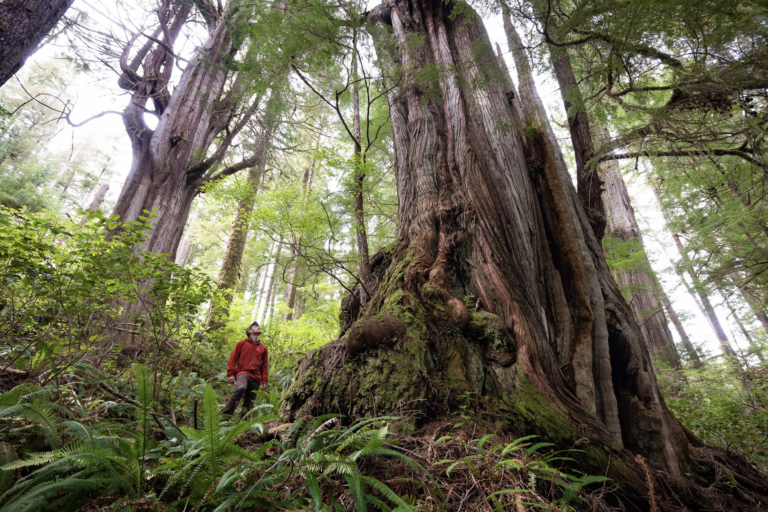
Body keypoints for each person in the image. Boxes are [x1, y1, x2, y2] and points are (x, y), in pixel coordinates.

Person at [222, 321, 268, 417]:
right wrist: (230, 374)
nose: (258, 327)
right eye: (255, 326)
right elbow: (233, 359)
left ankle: (243, 424)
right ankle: (225, 416)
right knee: (241, 387)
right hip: (243, 372)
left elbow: (264, 366)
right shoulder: (242, 343)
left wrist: (264, 380)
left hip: (255, 377)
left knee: (250, 401)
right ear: (250, 331)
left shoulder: (263, 348)